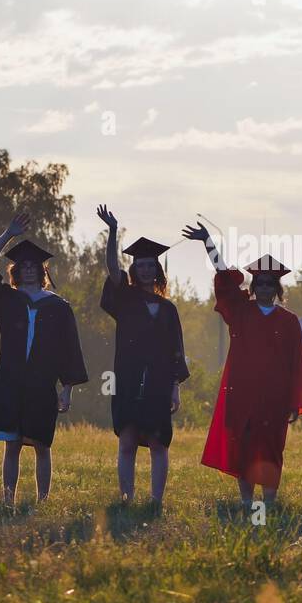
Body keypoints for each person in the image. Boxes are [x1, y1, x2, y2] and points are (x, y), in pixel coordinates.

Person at [182, 222, 302, 506]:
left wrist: (294, 400)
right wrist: (208, 244)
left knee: (271, 450)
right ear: (254, 286)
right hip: (243, 395)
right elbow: (226, 281)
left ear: (277, 287)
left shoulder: (289, 321)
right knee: (244, 448)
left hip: (275, 399)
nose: (264, 288)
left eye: (269, 283)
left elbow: (296, 364)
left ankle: (268, 503)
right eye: (260, 283)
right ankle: (246, 503)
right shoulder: (241, 312)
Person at [0, 213, 88, 506]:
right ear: (16, 270)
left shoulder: (58, 307)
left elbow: (69, 349)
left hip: (41, 383)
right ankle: (7, 501)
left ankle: (43, 501)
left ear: (42, 270)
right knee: (12, 444)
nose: (30, 270)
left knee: (42, 444)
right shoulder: (7, 299)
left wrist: (67, 388)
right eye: (24, 266)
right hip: (11, 381)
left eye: (35, 266)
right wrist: (7, 234)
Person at [97, 205, 189, 504]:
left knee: (159, 442)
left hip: (159, 383)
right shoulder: (125, 298)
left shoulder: (168, 309)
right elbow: (112, 268)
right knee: (127, 442)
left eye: (152, 265)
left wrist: (175, 388)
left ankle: (156, 501)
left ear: (158, 270)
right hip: (127, 378)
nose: (146, 269)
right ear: (135, 270)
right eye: (141, 265)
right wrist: (112, 231)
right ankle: (126, 499)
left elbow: (177, 350)